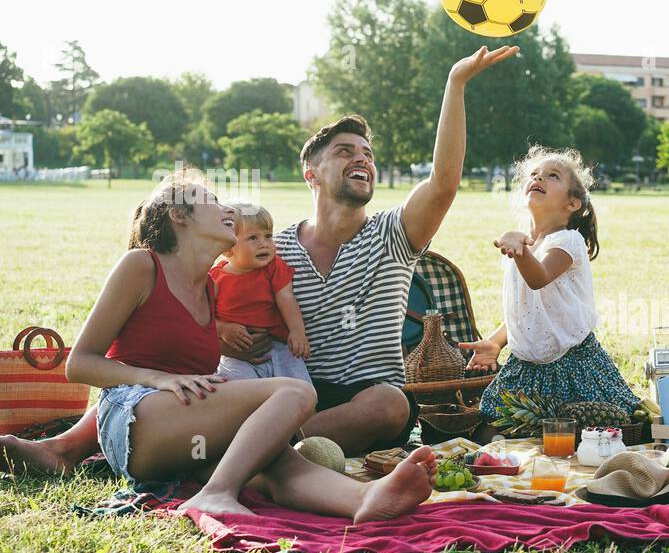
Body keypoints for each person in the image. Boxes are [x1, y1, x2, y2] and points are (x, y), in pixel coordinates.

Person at [0, 45, 517, 476]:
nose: (362, 158)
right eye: (344, 150)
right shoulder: (272, 243)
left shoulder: (393, 235)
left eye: (368, 153)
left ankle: (230, 453)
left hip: (356, 399)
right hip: (282, 386)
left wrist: (455, 85)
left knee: (389, 405)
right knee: (204, 379)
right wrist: (224, 327)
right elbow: (194, 295)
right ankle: (87, 446)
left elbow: (445, 182)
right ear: (311, 173)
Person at [62, 172, 437, 522]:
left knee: (274, 461)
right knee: (294, 392)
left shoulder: (209, 287)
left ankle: (363, 499)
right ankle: (216, 492)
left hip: (185, 433)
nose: (227, 210)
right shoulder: (142, 265)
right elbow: (79, 364)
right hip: (133, 417)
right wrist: (156, 378)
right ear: (179, 215)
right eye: (212, 201)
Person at [461, 146, 638, 428]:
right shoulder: (525, 246)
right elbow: (531, 309)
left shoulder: (568, 241)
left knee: (590, 429)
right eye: (533, 174)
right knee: (490, 426)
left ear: (572, 204)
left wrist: (520, 251)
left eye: (552, 176)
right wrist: (496, 341)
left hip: (573, 365)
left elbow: (539, 277)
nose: (539, 178)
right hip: (526, 366)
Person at [210, 203, 311, 384]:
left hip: (278, 346)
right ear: (227, 248)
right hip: (235, 353)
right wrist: (223, 328)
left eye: (268, 236)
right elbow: (203, 316)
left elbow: (286, 297)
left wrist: (297, 331)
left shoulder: (273, 267)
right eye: (253, 238)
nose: (264, 243)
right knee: (237, 392)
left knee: (299, 387)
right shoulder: (214, 279)